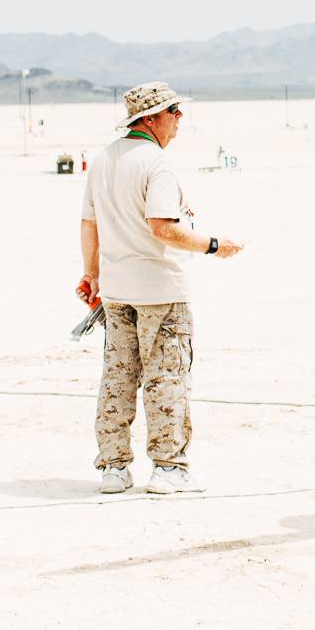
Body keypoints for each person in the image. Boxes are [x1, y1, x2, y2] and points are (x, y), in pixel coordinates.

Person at [78, 82, 243, 495]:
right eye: (173, 111)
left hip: (117, 291)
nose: (179, 118)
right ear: (150, 119)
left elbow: (89, 223)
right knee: (166, 377)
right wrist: (214, 245)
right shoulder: (156, 165)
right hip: (161, 291)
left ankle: (114, 467)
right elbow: (163, 228)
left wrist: (91, 274)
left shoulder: (104, 160)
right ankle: (169, 468)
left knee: (118, 378)